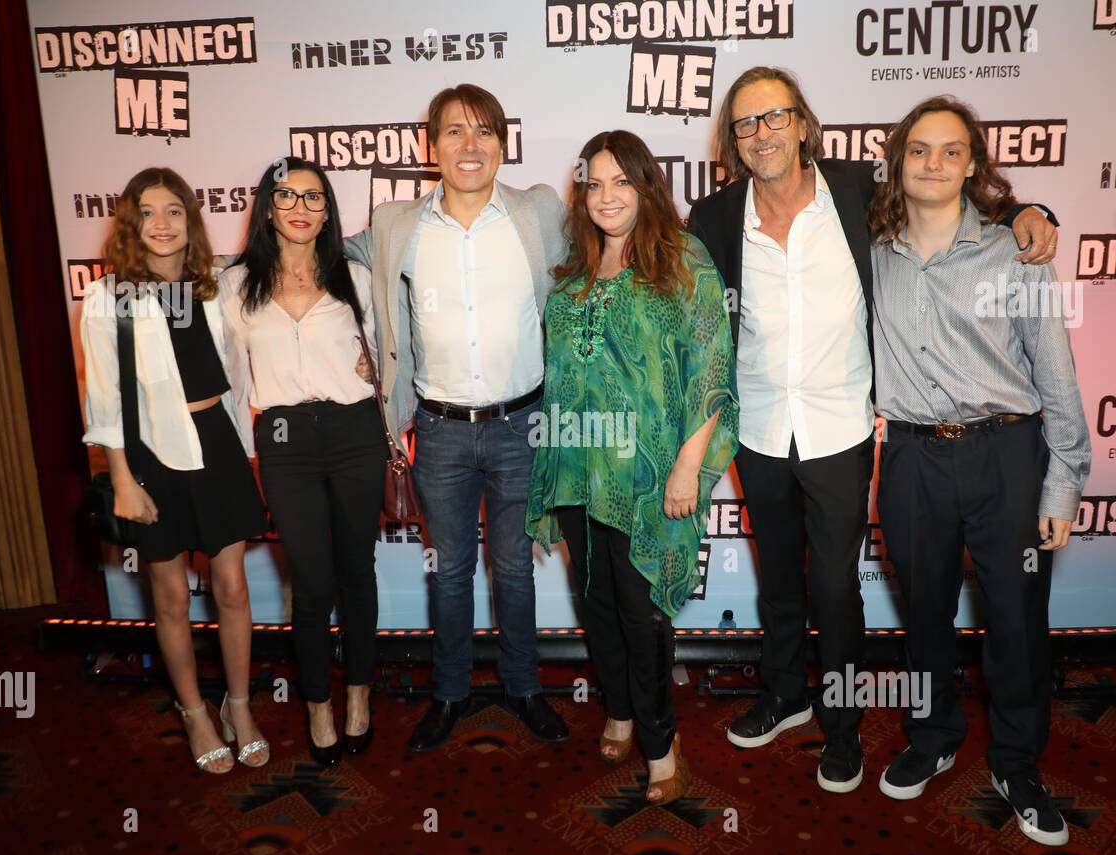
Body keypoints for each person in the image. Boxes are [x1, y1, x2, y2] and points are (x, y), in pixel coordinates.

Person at [687, 66, 1060, 793]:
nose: (761, 134)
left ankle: (842, 724)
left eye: (775, 117)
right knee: (778, 581)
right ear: (732, 140)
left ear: (802, 124)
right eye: (745, 124)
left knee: (834, 586)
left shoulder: (861, 190)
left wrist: (1030, 211)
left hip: (841, 426)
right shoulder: (713, 217)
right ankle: (786, 692)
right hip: (759, 426)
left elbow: (955, 191)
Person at [868, 96, 1090, 845]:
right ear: (897, 160)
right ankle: (932, 738)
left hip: (1007, 454)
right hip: (909, 456)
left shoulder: (1015, 251)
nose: (934, 163)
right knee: (923, 613)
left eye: (952, 151)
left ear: (973, 164)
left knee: (1018, 622)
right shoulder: (869, 254)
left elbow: (1056, 372)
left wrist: (1064, 479)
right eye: (920, 150)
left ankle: (1019, 763)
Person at [343, 85, 570, 752]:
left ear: (503, 144)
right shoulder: (395, 226)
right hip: (438, 431)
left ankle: (524, 690)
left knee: (516, 568)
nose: (469, 146)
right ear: (430, 147)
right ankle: (448, 697)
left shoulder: (540, 213)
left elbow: (604, 254)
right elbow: (324, 260)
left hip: (524, 425)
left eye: (483, 132)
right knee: (448, 572)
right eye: (453, 133)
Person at [526, 131, 738, 804]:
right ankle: (617, 707)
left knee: (643, 614)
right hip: (577, 474)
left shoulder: (682, 261)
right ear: (581, 192)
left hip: (649, 479)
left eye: (624, 182)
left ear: (647, 188)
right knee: (598, 604)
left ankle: (659, 741)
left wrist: (687, 465)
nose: (608, 196)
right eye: (596, 183)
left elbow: (712, 366)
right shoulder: (573, 272)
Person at [80, 167, 270, 774]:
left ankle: (238, 706)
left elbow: (238, 378)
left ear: (190, 220)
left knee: (233, 588)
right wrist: (124, 480)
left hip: (218, 443)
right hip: (152, 458)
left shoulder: (216, 287)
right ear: (131, 224)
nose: (162, 225)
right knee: (168, 596)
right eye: (148, 213)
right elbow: (105, 399)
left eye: (174, 211)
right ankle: (193, 712)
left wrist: (248, 453)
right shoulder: (109, 297)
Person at [220, 157, 386, 767]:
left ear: (328, 211)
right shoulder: (236, 286)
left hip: (354, 430)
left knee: (356, 572)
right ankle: (317, 702)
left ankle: (360, 697)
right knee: (312, 582)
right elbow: (235, 385)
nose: (300, 207)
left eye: (314, 198)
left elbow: (392, 356)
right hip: (283, 438)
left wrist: (379, 373)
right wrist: (243, 455)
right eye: (286, 196)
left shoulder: (355, 278)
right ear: (267, 206)